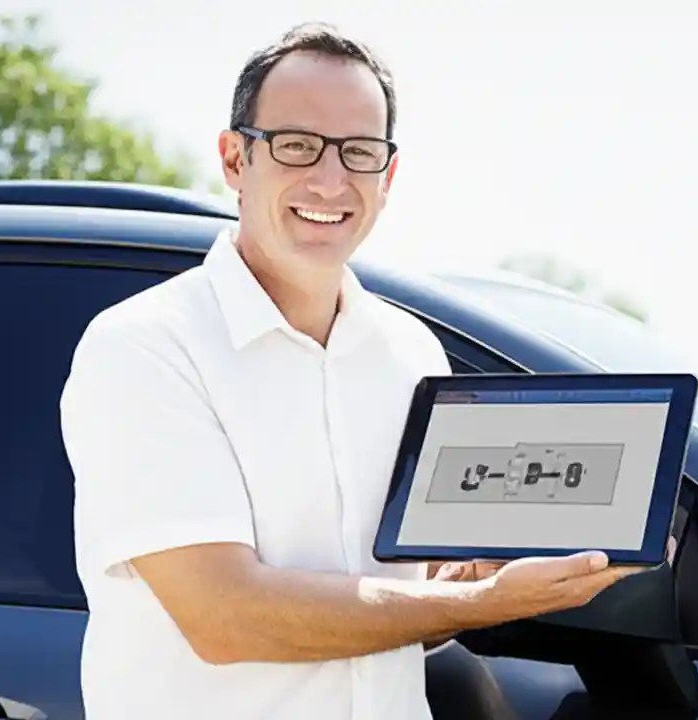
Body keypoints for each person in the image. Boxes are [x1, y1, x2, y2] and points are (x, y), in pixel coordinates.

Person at [59, 21, 640, 720]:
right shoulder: (145, 348)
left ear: (388, 176)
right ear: (235, 159)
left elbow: (407, 605)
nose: (330, 180)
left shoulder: (411, 353)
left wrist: (480, 577)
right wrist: (484, 601)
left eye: (359, 152)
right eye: (298, 145)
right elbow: (226, 616)